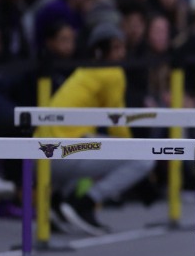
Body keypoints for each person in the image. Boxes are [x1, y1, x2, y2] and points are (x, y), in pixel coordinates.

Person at [36, 21, 155, 235]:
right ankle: (86, 204)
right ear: (101, 51)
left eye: (122, 47)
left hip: (39, 154)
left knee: (90, 139)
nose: (122, 53)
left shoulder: (83, 71)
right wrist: (137, 169)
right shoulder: (112, 73)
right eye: (116, 48)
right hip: (65, 154)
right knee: (144, 157)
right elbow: (118, 124)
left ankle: (56, 204)